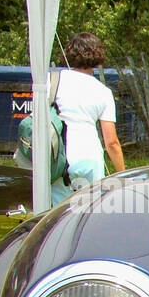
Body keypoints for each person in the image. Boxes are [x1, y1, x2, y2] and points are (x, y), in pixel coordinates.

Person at [51, 32, 124, 206]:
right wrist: (122, 174)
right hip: (88, 157)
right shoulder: (103, 92)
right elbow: (111, 142)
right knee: (88, 215)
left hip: (56, 158)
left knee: (57, 218)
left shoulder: (52, 81)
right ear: (98, 55)